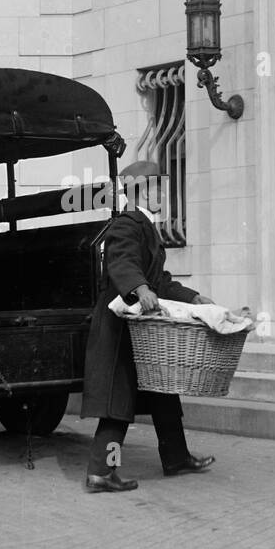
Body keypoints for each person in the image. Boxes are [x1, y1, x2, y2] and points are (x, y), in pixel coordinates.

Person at [80, 160, 216, 493]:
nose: (162, 194)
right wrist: (139, 288)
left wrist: (193, 296)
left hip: (139, 329)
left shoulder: (147, 226)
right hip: (118, 329)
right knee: (118, 401)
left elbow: (161, 282)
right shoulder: (127, 224)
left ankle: (176, 457)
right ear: (141, 189)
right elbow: (121, 262)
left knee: (162, 392)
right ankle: (100, 472)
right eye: (158, 186)